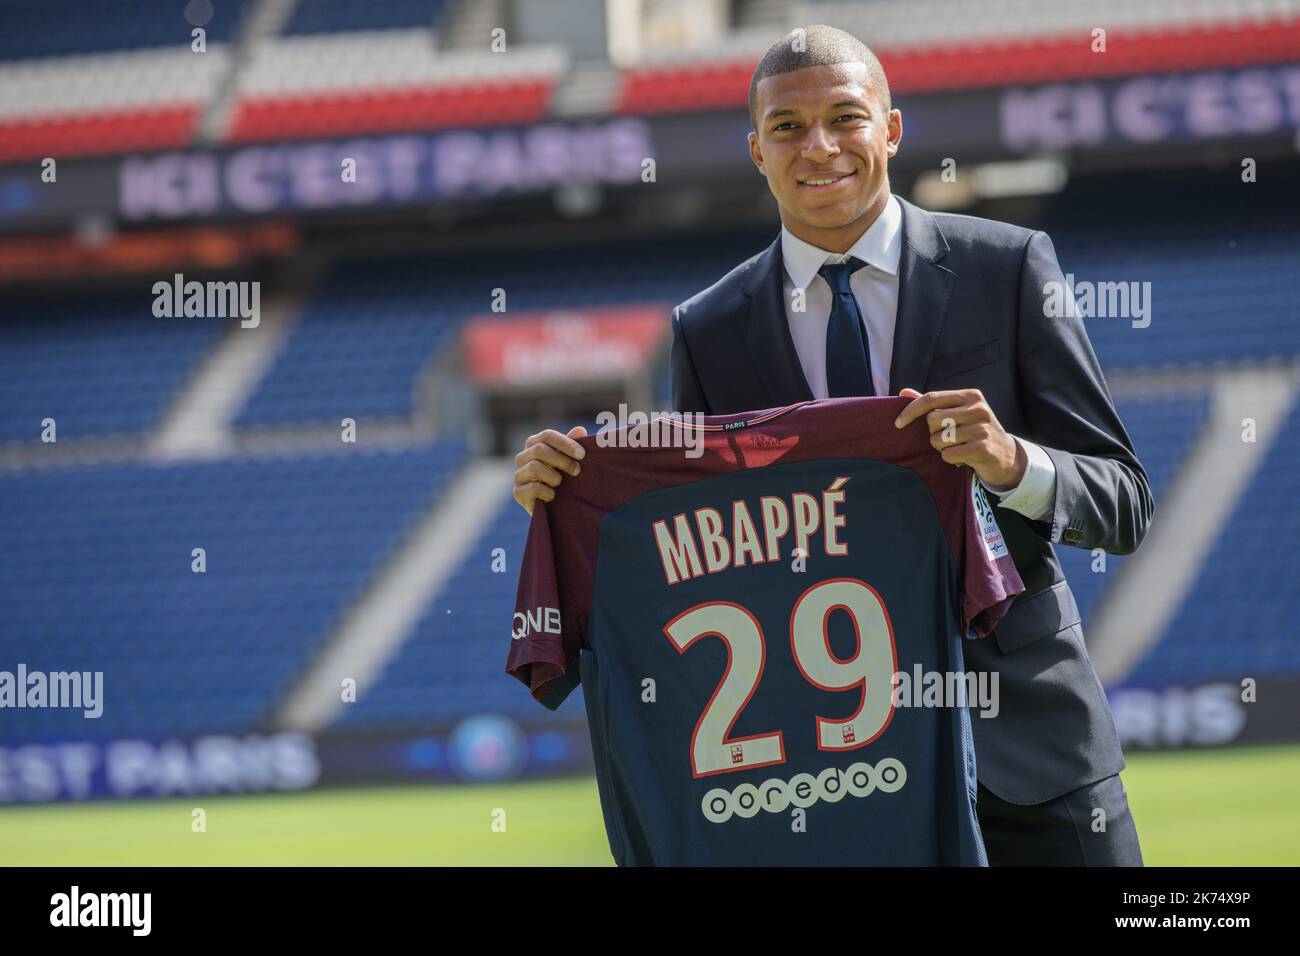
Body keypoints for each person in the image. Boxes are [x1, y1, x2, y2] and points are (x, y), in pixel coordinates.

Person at [513, 24, 1152, 866]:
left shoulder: (1010, 268)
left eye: (845, 117)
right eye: (786, 127)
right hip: (838, 778)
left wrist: (1012, 465)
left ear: (890, 129)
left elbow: (1125, 501)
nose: (819, 147)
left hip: (1030, 750)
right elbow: (694, 546)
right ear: (756, 151)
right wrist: (566, 484)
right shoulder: (709, 329)